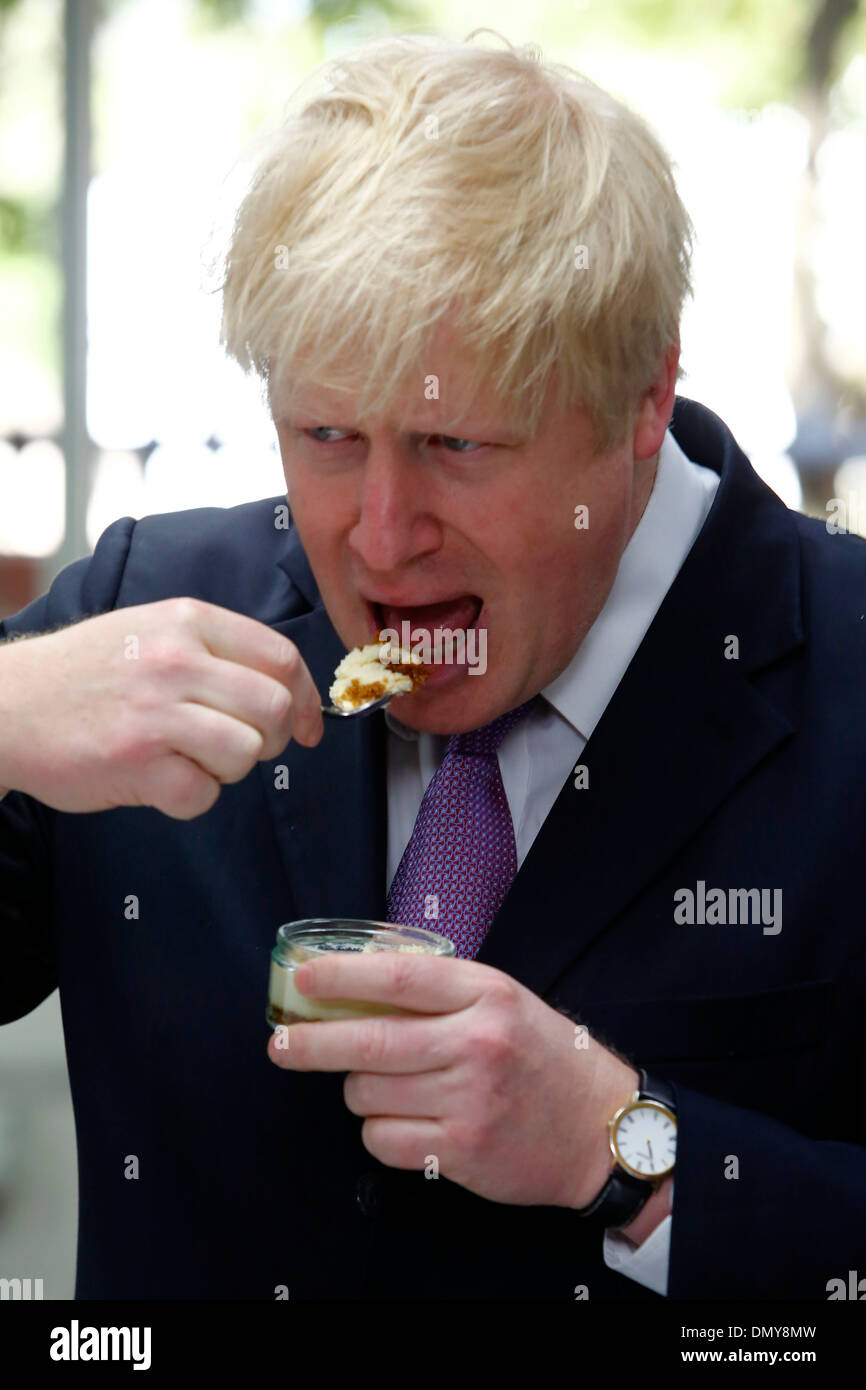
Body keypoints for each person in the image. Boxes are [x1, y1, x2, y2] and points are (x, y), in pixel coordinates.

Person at [1, 29, 864, 1302]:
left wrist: (627, 1153)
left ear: (641, 396)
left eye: (456, 443)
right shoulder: (140, 614)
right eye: (328, 433)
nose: (381, 537)